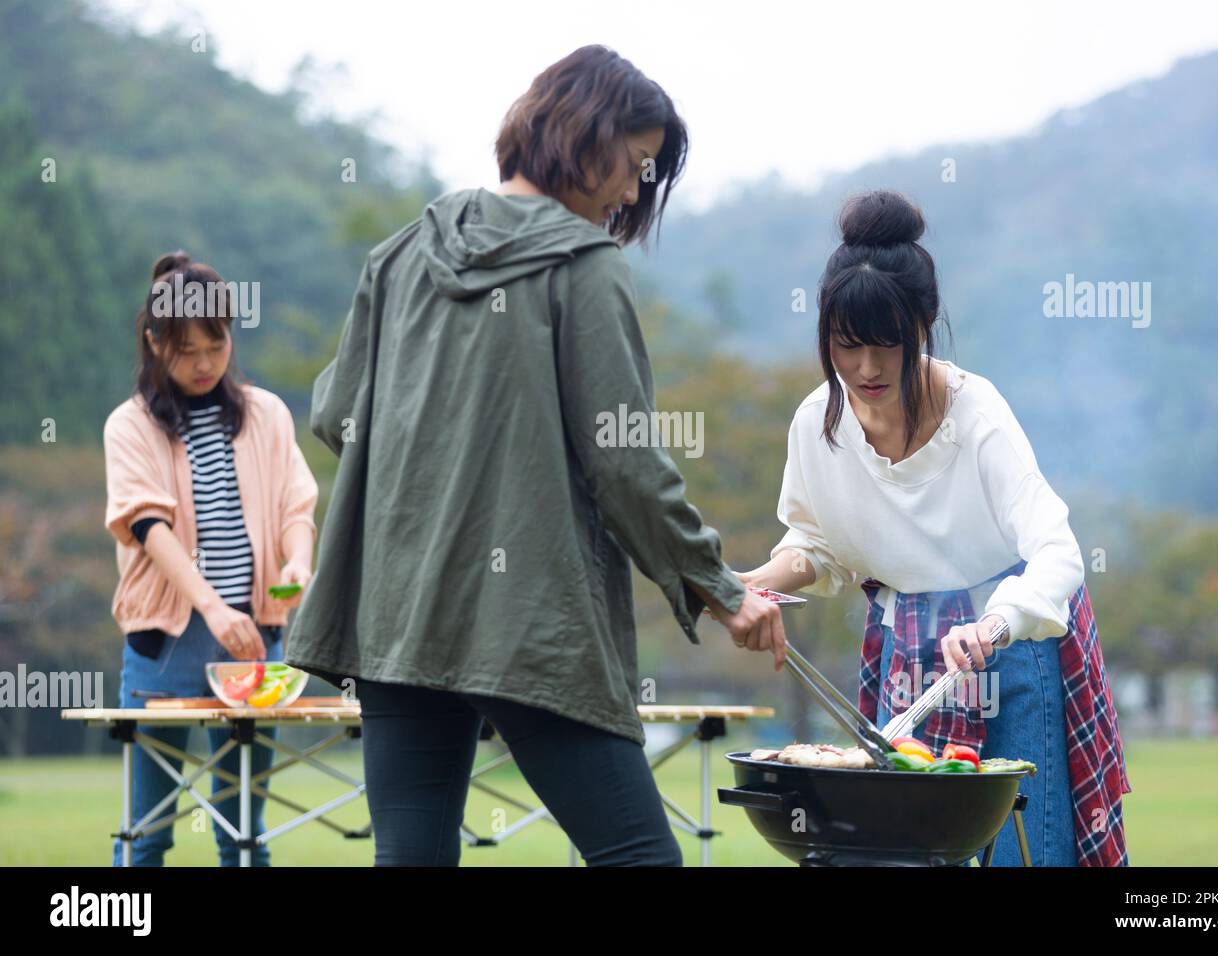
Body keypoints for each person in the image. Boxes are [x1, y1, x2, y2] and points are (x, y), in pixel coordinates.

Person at [285, 44, 785, 867]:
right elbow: (625, 464)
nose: (632, 191)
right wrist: (721, 587)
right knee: (640, 859)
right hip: (529, 622)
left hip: (400, 613)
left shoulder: (401, 255)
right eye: (634, 164)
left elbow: (338, 414)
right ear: (582, 133)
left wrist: (439, 469)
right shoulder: (586, 267)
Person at [740, 190, 1132, 866]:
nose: (865, 368)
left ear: (921, 327)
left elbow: (1058, 552)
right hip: (906, 652)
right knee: (903, 855)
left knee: (1024, 855)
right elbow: (817, 547)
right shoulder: (818, 424)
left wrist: (996, 623)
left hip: (1009, 651)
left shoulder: (974, 416)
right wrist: (746, 585)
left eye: (886, 345)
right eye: (846, 345)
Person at [104, 251, 319, 865]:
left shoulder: (268, 414)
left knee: (242, 834)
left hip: (254, 645)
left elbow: (294, 510)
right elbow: (149, 526)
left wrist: (297, 565)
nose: (202, 364)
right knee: (147, 834)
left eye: (215, 346)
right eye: (185, 350)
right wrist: (214, 608)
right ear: (153, 341)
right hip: (166, 644)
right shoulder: (130, 426)